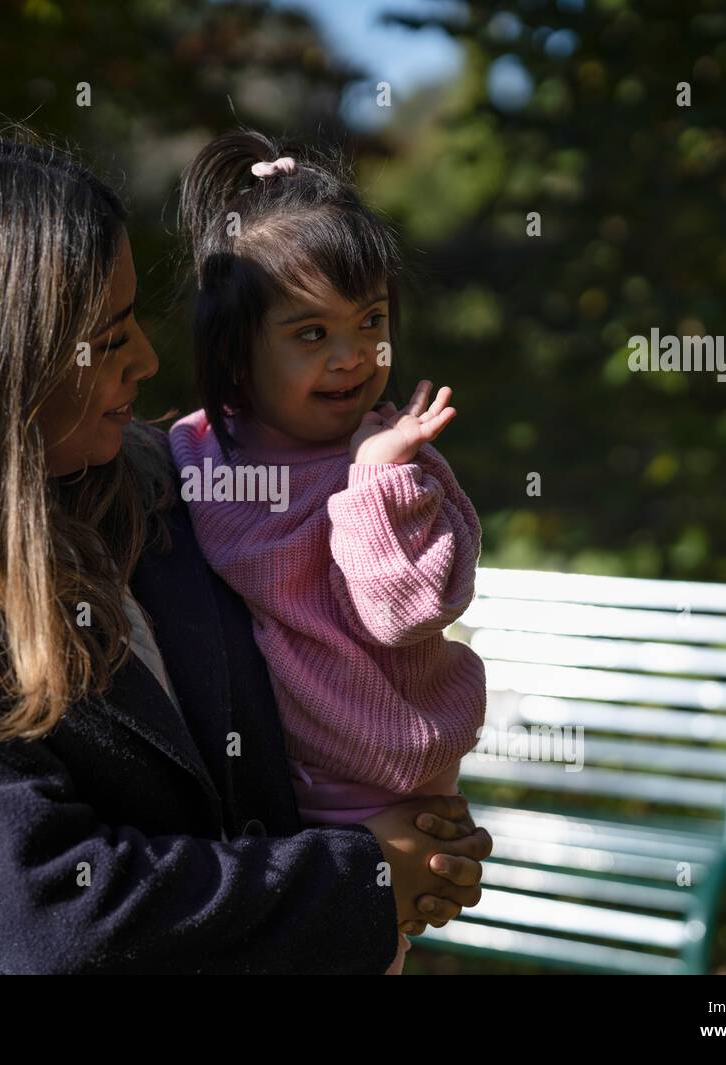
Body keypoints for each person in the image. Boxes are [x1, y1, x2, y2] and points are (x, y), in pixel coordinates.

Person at [0, 129, 491, 974]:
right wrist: (355, 878)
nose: (146, 358)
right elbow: (63, 909)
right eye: (107, 337)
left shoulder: (150, 488)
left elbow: (284, 704)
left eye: (134, 318)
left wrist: (403, 819)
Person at [169, 130, 489, 974]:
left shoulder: (394, 455)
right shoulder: (199, 450)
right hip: (270, 794)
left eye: (371, 321)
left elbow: (405, 608)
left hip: (383, 776)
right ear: (236, 349)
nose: (353, 356)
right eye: (309, 333)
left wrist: (378, 485)